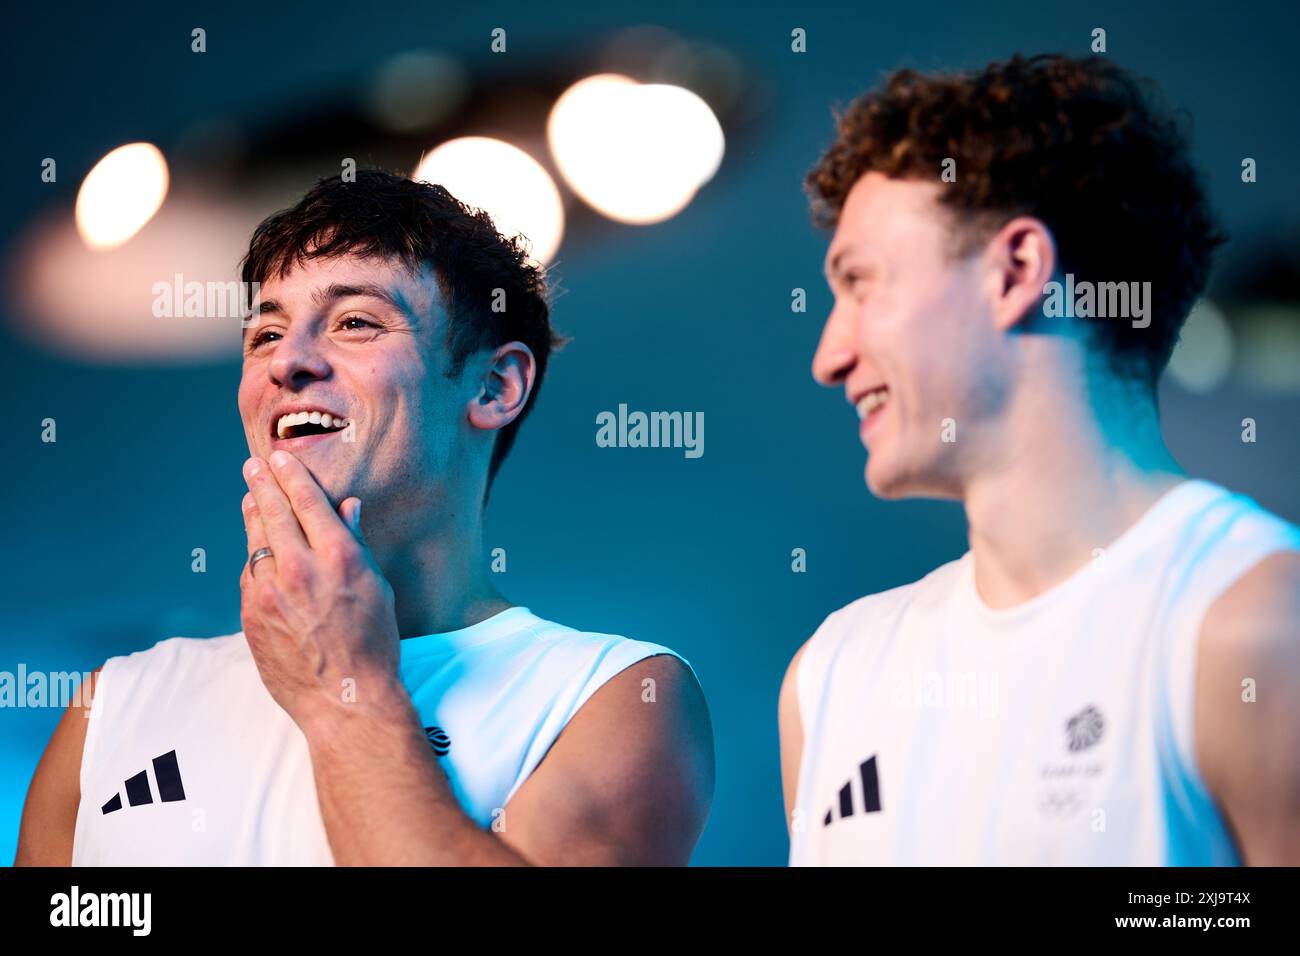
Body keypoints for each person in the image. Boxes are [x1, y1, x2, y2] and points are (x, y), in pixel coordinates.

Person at [16, 169, 714, 866]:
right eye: (264, 335)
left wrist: (341, 697)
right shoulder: (112, 704)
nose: (287, 361)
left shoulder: (615, 695)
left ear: (496, 385)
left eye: (355, 322)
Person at [780, 54, 1300, 865]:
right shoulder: (830, 678)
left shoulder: (1251, 618)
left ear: (1016, 271)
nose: (829, 355)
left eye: (861, 283)